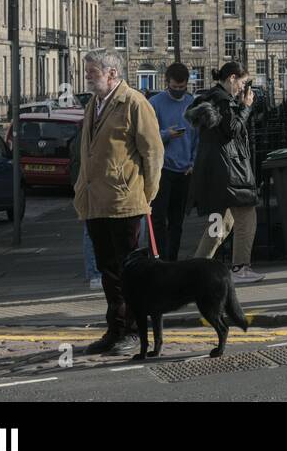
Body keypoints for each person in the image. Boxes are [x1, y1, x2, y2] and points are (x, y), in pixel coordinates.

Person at [73, 49, 164, 354]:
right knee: (108, 271)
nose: (87, 76)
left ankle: (133, 331)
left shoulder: (134, 103)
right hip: (96, 202)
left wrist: (146, 194)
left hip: (125, 202)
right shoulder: (94, 105)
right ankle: (117, 329)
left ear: (112, 73)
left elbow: (152, 153)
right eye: (87, 71)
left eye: (92, 71)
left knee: (130, 274)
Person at [188, 62, 263, 283]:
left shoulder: (212, 98)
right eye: (241, 82)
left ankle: (196, 270)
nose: (242, 88)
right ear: (231, 78)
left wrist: (239, 106)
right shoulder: (222, 100)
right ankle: (240, 268)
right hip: (228, 172)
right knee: (247, 216)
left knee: (221, 223)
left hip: (216, 171)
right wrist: (246, 107)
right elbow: (232, 130)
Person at [148, 63, 199, 260]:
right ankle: (159, 259)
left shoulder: (192, 103)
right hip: (162, 170)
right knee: (158, 218)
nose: (178, 91)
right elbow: (148, 137)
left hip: (184, 170)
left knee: (177, 222)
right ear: (167, 82)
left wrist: (194, 162)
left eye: (182, 88)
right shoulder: (155, 103)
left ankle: (173, 260)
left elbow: (198, 138)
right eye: (174, 87)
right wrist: (166, 134)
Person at [68, 125, 102, 290]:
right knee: (92, 231)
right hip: (92, 188)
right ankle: (95, 274)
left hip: (89, 187)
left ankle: (96, 273)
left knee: (93, 230)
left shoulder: (84, 129)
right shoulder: (90, 130)